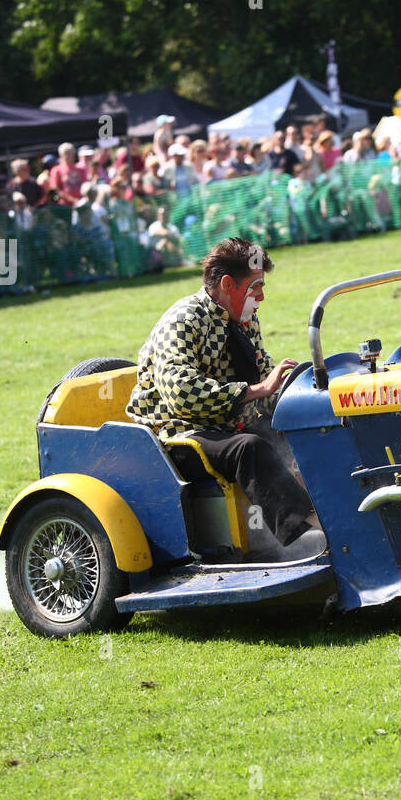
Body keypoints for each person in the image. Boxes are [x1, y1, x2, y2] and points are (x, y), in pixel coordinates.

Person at [125, 237, 325, 559]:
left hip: (229, 423)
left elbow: (264, 373)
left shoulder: (245, 320)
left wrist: (299, 400)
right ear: (228, 284)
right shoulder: (183, 319)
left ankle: (339, 508)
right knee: (250, 448)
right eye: (256, 286)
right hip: (179, 435)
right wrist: (256, 391)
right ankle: (308, 534)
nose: (262, 296)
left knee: (305, 431)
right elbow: (181, 393)